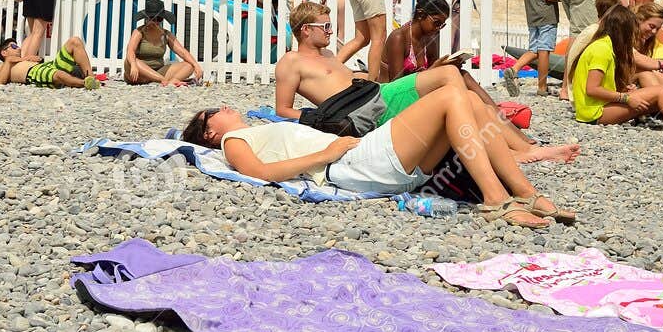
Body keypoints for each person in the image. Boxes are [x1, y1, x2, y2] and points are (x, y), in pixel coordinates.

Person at [186, 90, 564, 228]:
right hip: (350, 165)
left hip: (363, 161)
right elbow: (262, 173)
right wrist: (325, 153)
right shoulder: (233, 141)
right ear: (209, 133)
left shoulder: (248, 130)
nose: (222, 107)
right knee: (451, 95)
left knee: (470, 103)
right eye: (212, 112)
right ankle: (496, 201)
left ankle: (523, 193)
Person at [276, 1, 572, 165]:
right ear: (305, 31)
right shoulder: (291, 62)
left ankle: (518, 146)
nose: (330, 31)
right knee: (448, 78)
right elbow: (282, 109)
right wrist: (317, 120)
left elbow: (343, 78)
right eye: (325, 27)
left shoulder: (328, 54)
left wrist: (362, 77)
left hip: (373, 94)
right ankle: (509, 151)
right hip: (360, 112)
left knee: (454, 76)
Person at [569, 6, 663, 132]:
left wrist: (625, 90)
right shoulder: (601, 50)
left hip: (597, 107)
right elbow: (592, 89)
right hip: (593, 113)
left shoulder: (605, 45)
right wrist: (626, 98)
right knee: (659, 92)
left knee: (656, 98)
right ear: (623, 31)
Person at [123, 0, 201, 86]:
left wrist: (195, 65)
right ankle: (164, 80)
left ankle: (171, 81)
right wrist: (133, 64)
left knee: (189, 65)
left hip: (158, 71)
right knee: (131, 61)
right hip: (138, 73)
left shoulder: (166, 34)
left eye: (159, 19)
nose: (155, 22)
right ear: (146, 18)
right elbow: (130, 51)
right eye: (152, 18)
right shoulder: (139, 32)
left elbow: (182, 52)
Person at [380, 0, 454, 81]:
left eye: (442, 25)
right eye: (436, 23)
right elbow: (396, 83)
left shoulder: (430, 42)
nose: (438, 29)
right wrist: (434, 68)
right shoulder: (399, 37)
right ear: (420, 15)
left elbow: (433, 77)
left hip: (417, 91)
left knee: (461, 73)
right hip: (393, 91)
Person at [0, 36, 100, 90]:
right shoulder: (1, 66)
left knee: (74, 41)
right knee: (59, 74)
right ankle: (85, 84)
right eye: (14, 46)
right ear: (4, 52)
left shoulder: (22, 60)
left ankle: (90, 76)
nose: (18, 48)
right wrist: (10, 60)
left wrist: (25, 59)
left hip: (46, 65)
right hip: (34, 73)